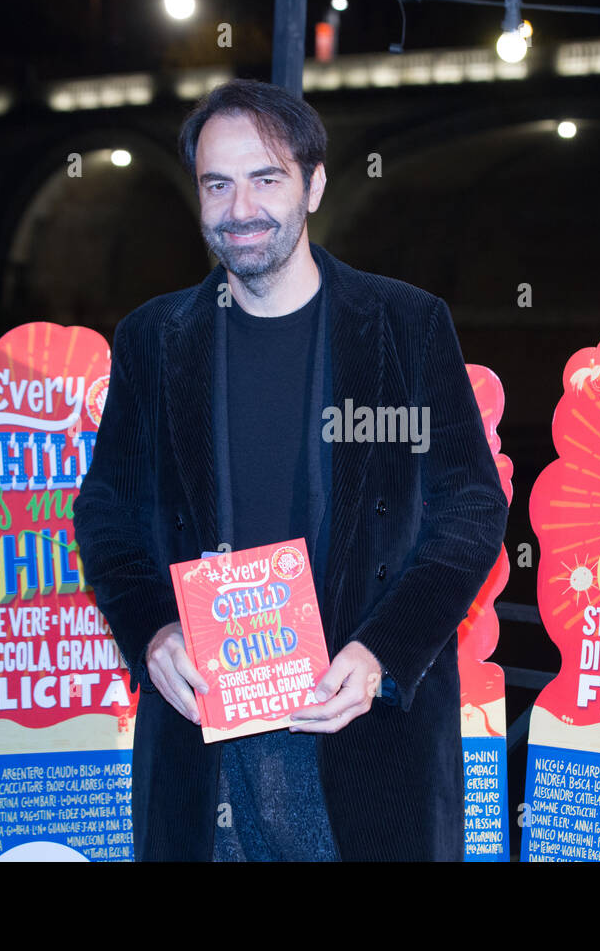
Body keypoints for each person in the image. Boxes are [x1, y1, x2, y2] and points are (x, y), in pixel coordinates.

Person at [73, 78, 508, 861]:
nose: (241, 208)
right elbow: (109, 511)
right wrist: (150, 630)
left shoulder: (407, 327)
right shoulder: (151, 338)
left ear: (313, 183)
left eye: (266, 178)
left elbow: (470, 510)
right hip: (208, 744)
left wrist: (382, 653)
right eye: (218, 183)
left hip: (359, 727)